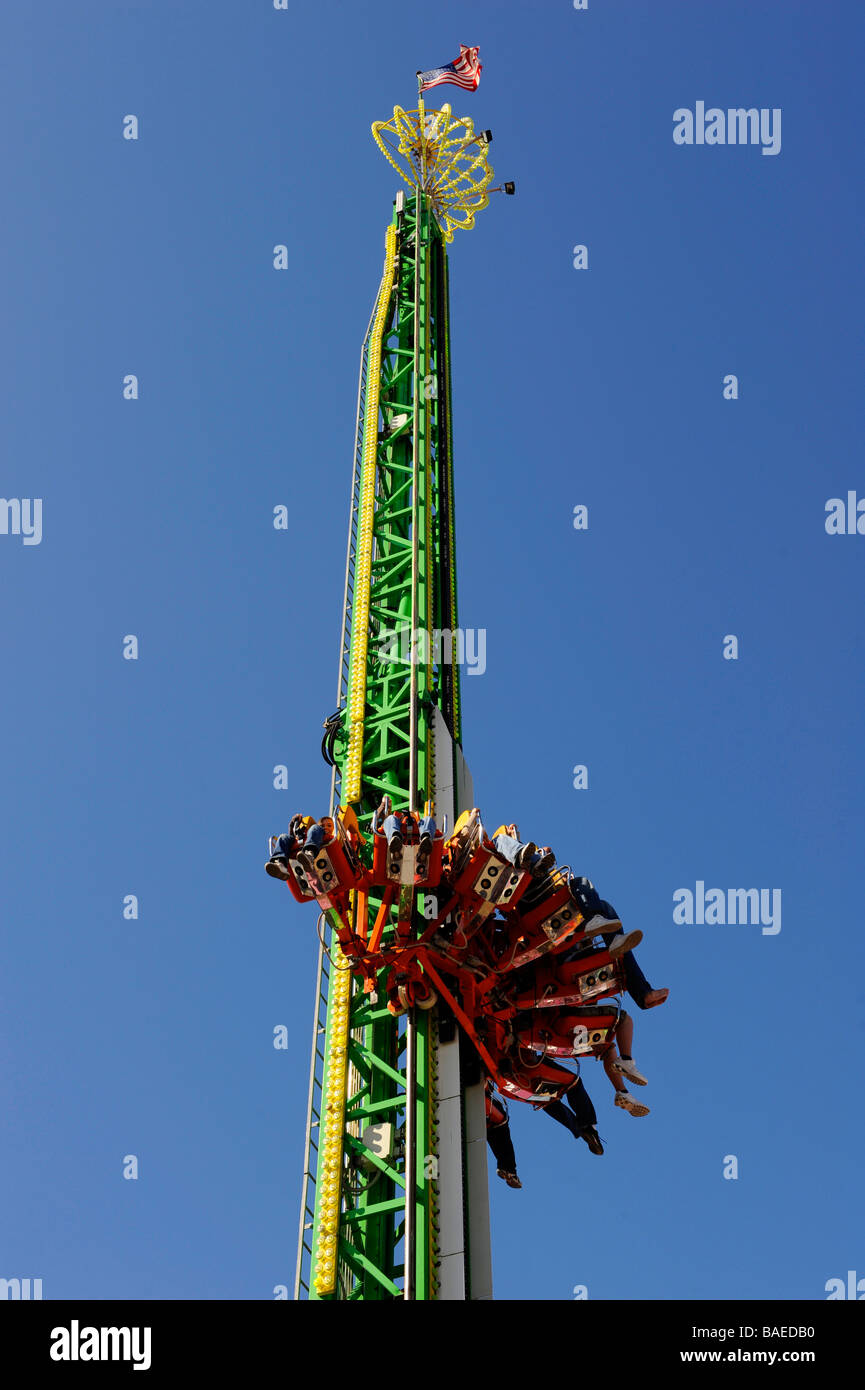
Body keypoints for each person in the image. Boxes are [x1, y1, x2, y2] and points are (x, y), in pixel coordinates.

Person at [542, 1074, 605, 1156]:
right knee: (547, 1101)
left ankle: (588, 1126)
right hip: (537, 1084)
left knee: (574, 1083)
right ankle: (587, 1127)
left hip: (525, 1085)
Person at [265, 813, 333, 880]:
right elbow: (294, 840)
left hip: (315, 849)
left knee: (314, 827)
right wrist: (292, 825)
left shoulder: (334, 837)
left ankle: (309, 855)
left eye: (329, 825)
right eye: (322, 826)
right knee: (283, 837)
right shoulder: (312, 835)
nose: (325, 827)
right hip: (300, 852)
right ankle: (280, 864)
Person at [485, 1080, 522, 1188]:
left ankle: (508, 1169)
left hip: (492, 1121)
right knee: (502, 1140)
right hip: (493, 1122)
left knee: (501, 1140)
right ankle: (509, 1170)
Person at [491, 824, 555, 877]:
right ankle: (524, 859)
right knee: (499, 839)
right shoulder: (500, 840)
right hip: (508, 860)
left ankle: (538, 865)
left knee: (531, 853)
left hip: (532, 875)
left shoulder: (524, 849)